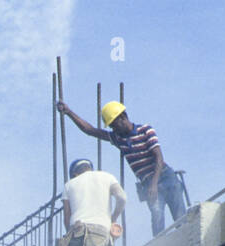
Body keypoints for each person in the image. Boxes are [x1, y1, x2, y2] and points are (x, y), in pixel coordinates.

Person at [58, 98, 185, 237]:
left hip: (165, 177)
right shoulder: (119, 138)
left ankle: (187, 240)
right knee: (157, 218)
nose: (114, 129)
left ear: (123, 117)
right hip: (148, 182)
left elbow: (159, 158)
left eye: (114, 125)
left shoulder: (146, 130)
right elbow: (90, 130)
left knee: (180, 217)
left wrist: (154, 184)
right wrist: (69, 112)